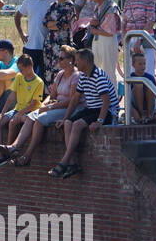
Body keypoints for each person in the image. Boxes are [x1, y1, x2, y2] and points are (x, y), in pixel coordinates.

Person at [0, 46, 78, 167]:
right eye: (58, 58)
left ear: (71, 59)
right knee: (31, 116)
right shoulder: (60, 74)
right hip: (55, 106)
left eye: (62, 58)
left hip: (67, 108)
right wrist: (45, 104)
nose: (59, 61)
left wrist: (50, 107)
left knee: (39, 119)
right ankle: (13, 147)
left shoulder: (76, 76)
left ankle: (27, 156)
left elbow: (72, 101)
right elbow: (52, 95)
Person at [48, 47, 119, 179]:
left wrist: (99, 122)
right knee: (69, 123)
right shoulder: (83, 76)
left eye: (78, 60)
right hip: (92, 109)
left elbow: (106, 102)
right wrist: (65, 118)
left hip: (106, 111)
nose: (76, 63)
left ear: (86, 61)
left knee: (77, 125)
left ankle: (64, 162)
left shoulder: (99, 76)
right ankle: (73, 163)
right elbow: (75, 99)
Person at [0, 53, 44, 171]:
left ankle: (10, 148)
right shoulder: (19, 77)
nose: (21, 72)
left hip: (30, 112)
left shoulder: (39, 82)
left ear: (29, 67)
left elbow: (34, 104)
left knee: (13, 122)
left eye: (22, 69)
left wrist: (21, 113)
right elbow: (12, 96)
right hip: (17, 109)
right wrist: (2, 112)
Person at [14, 0, 50, 78]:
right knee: (26, 77)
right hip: (30, 47)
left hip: (46, 47)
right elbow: (17, 16)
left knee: (44, 78)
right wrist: (21, 34)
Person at [42, 0, 76, 86]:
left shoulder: (69, 5)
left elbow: (65, 24)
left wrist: (54, 24)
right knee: (49, 72)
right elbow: (45, 22)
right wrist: (55, 24)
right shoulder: (53, 5)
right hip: (50, 45)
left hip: (62, 44)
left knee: (62, 69)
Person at [87, 0, 120, 85]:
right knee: (96, 72)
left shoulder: (111, 7)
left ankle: (112, 100)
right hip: (98, 40)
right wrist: (94, 22)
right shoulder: (99, 6)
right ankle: (99, 99)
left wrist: (95, 30)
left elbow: (111, 32)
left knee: (108, 72)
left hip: (108, 42)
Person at [128, 47, 156, 124]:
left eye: (144, 64)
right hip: (136, 106)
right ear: (133, 65)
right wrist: (133, 110)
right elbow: (127, 98)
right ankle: (141, 115)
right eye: (140, 64)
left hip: (150, 105)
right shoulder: (130, 77)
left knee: (150, 85)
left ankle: (149, 115)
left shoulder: (150, 77)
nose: (143, 66)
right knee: (138, 85)